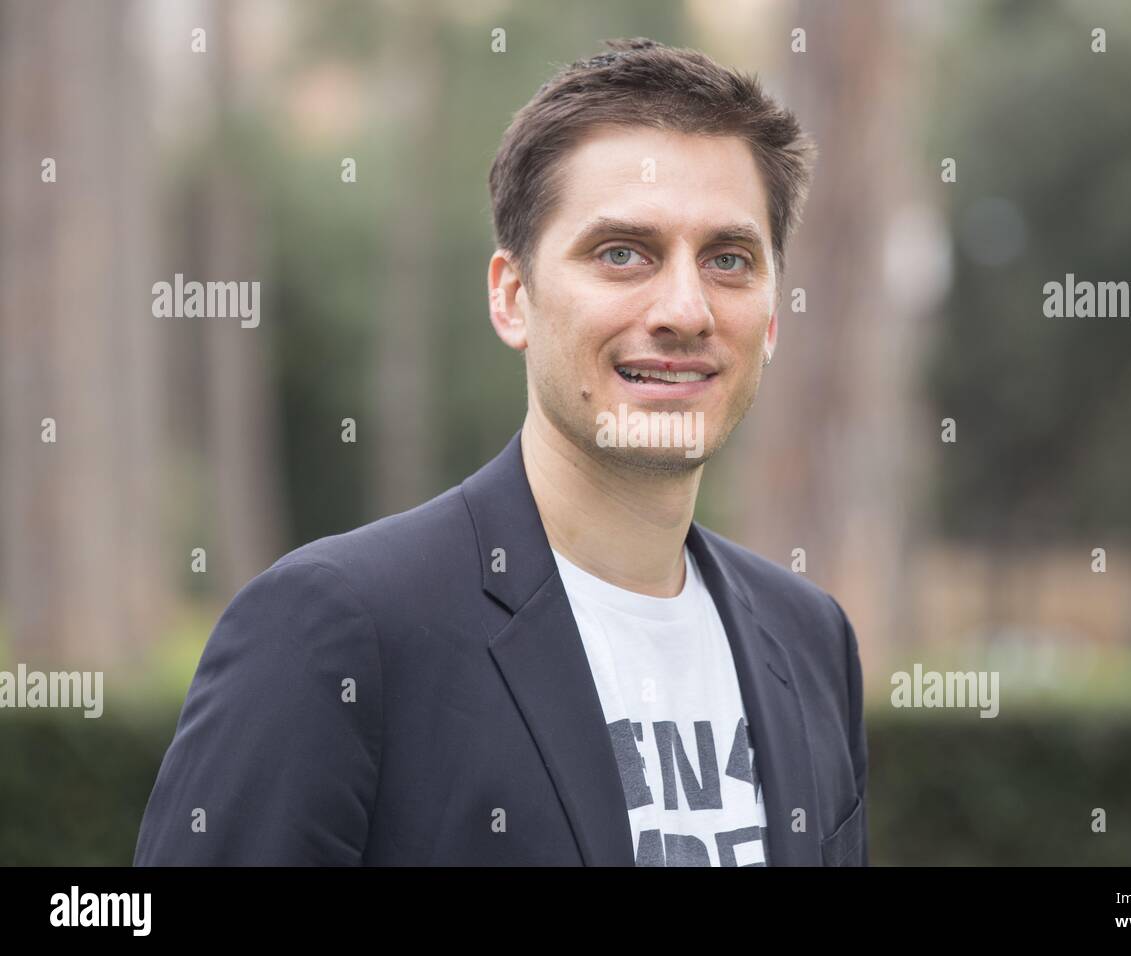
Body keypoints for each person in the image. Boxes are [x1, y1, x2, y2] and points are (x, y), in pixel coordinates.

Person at [134, 36, 867, 867]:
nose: (685, 310)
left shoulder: (811, 642)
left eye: (729, 260)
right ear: (512, 298)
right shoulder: (339, 631)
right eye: (622, 253)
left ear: (771, 318)